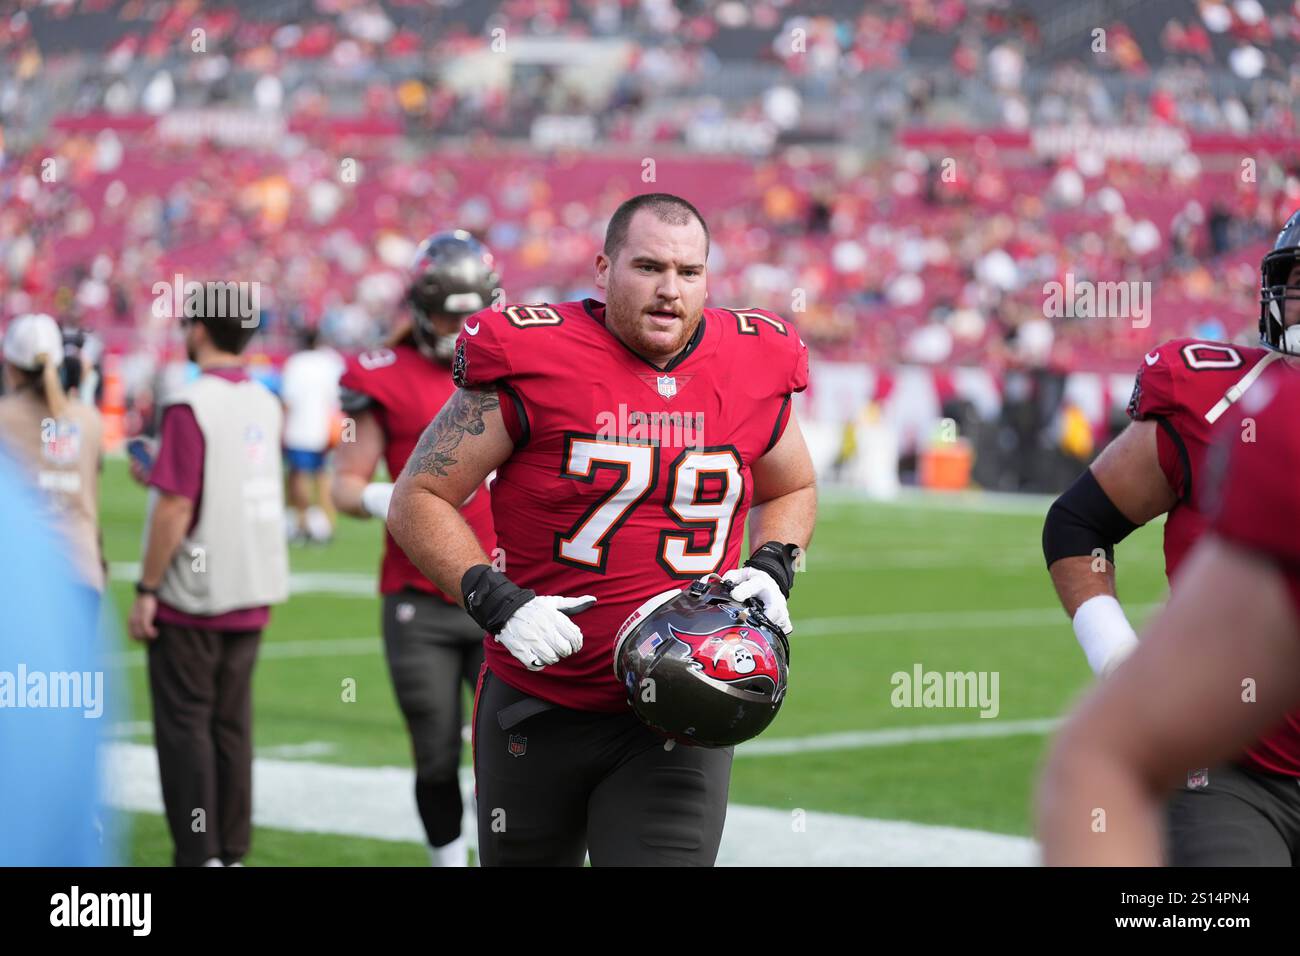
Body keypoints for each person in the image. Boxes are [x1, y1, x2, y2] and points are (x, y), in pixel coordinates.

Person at [388, 193, 817, 866]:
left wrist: (773, 562)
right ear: (603, 268)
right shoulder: (532, 353)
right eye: (648, 267)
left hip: (680, 711)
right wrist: (495, 600)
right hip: (536, 701)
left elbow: (792, 484)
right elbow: (419, 496)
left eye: (689, 272)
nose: (670, 290)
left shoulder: (753, 360)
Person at [1042, 211, 1300, 865]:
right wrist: (1118, 658)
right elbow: (1078, 525)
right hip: (1231, 772)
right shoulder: (1226, 403)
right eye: (1299, 279)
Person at [332, 231, 498, 867]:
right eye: (446, 313)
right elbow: (345, 486)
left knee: (508, 750)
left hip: (501, 594)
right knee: (435, 751)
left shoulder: (514, 366)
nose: (458, 328)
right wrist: (399, 500)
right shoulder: (382, 375)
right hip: (418, 599)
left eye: (469, 313)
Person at [127, 289, 290, 867]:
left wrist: (146, 588)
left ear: (199, 330)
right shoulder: (267, 401)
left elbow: (176, 507)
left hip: (194, 594)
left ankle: (198, 853)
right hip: (252, 583)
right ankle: (231, 848)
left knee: (186, 730)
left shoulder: (189, 402)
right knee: (230, 726)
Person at [0, 313, 104, 594]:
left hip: (20, 573)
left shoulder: (4, 419)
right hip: (81, 571)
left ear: (11, 366)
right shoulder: (90, 420)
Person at [280, 324, 344, 543]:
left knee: (299, 475)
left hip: (299, 428)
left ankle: (303, 522)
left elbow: (288, 400)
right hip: (325, 428)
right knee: (323, 475)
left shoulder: (296, 364)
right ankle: (327, 521)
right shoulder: (330, 362)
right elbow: (337, 398)